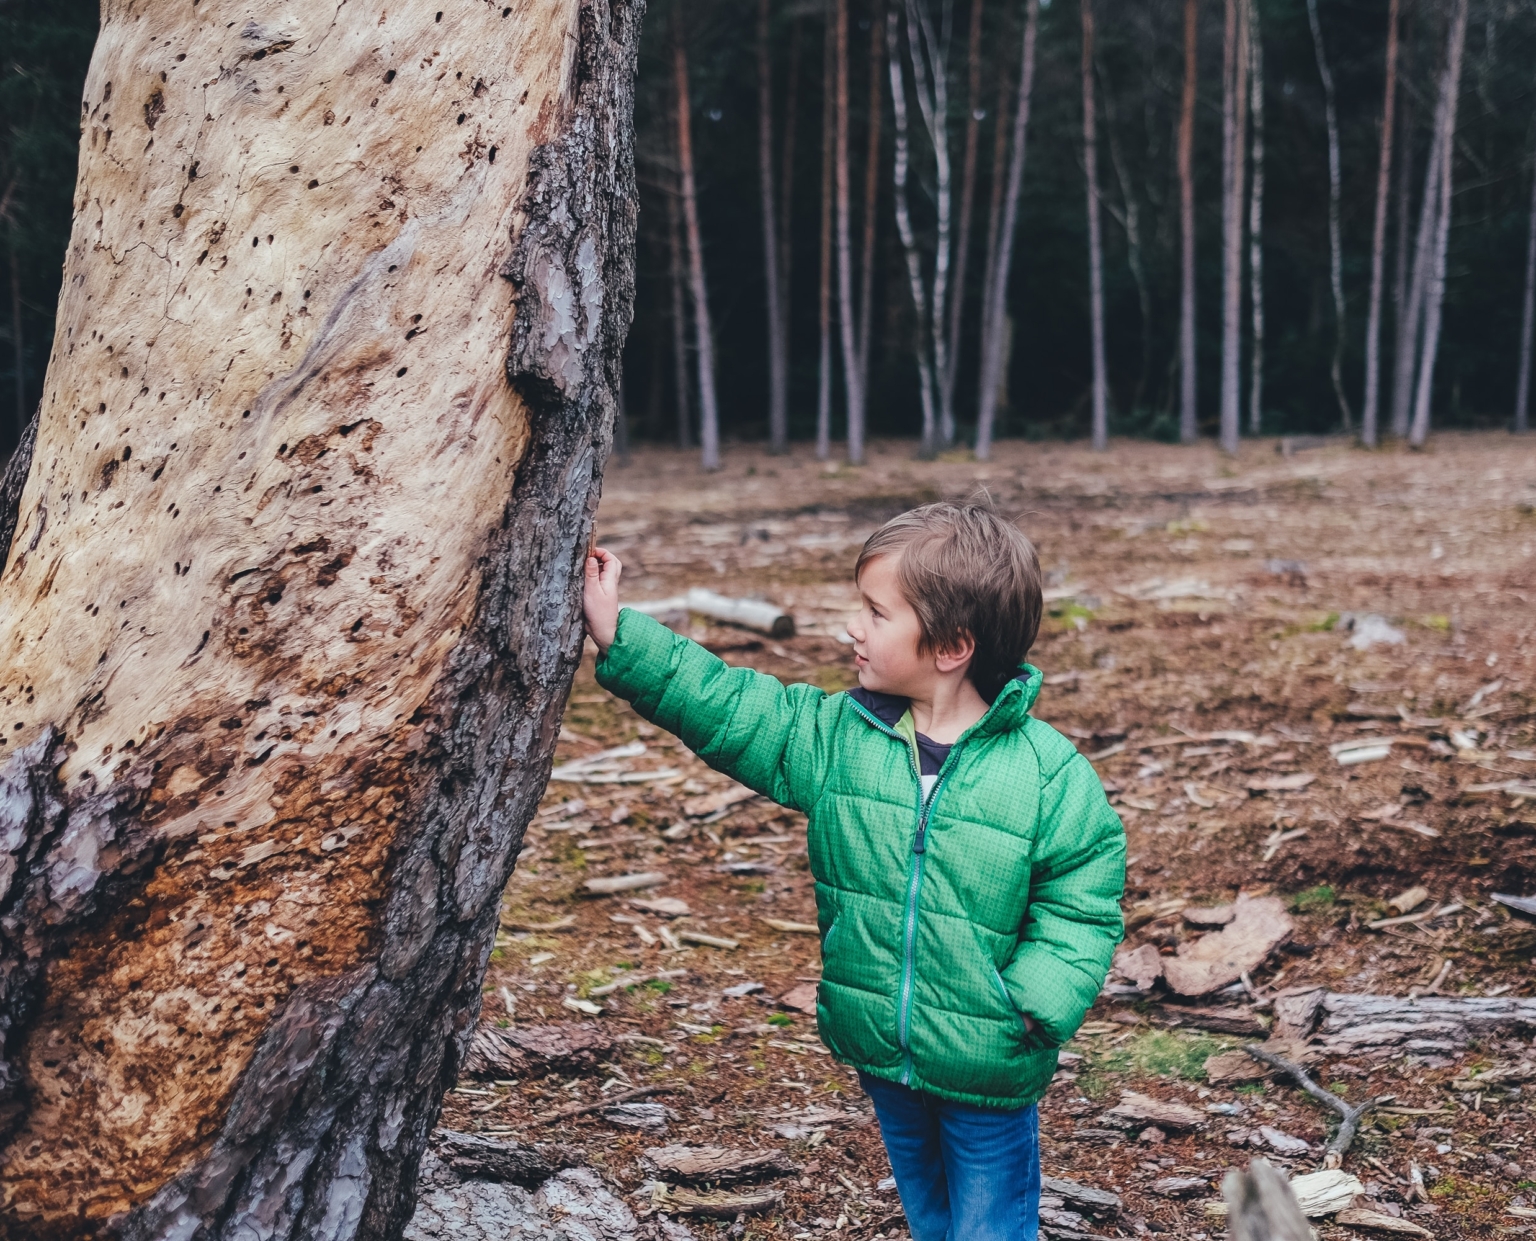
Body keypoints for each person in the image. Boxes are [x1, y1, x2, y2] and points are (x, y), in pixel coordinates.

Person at [582, 502, 1125, 1241]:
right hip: (880, 1045)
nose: (852, 627)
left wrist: (1030, 1003)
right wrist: (623, 634)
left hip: (990, 1060)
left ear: (951, 645)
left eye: (875, 611)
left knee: (992, 1226)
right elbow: (731, 706)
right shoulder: (842, 736)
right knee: (931, 1214)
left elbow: (1083, 899)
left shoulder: (1046, 774)